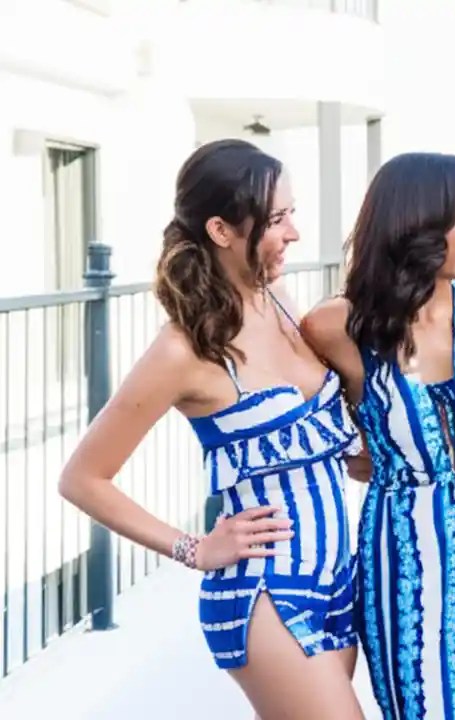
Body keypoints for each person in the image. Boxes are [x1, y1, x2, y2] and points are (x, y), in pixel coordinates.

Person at [58, 139, 365, 718]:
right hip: (265, 592)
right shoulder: (182, 349)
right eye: (278, 219)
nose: (294, 233)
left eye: (292, 213)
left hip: (336, 578)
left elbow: (334, 447)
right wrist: (193, 547)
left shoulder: (277, 297)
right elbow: (82, 478)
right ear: (222, 230)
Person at [301, 152, 455, 719]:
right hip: (402, 558)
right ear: (417, 223)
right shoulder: (334, 326)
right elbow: (308, 418)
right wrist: (356, 450)